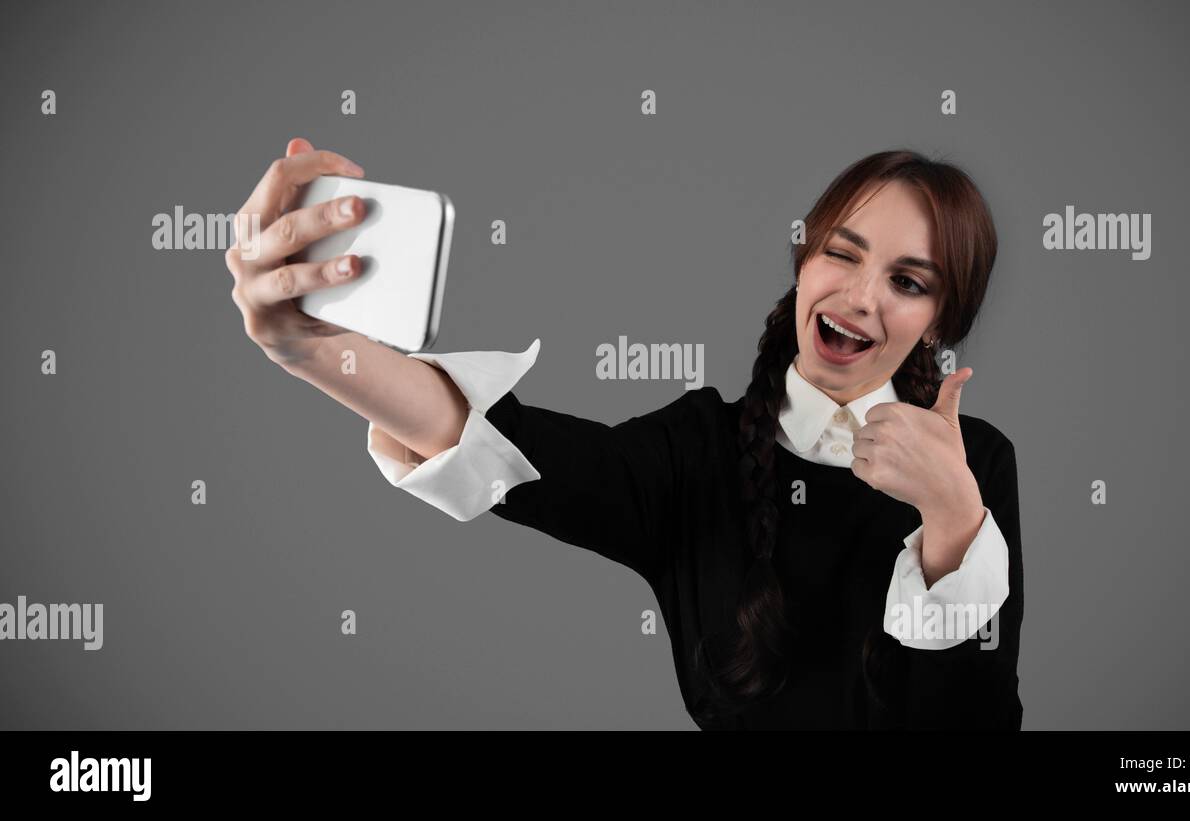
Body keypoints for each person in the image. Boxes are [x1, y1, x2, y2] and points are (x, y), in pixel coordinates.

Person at [226, 138, 1023, 730]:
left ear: (938, 323)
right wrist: (307, 349)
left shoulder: (978, 464)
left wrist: (953, 521)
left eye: (907, 282)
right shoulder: (695, 453)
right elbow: (513, 449)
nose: (858, 296)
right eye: (839, 255)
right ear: (803, 261)